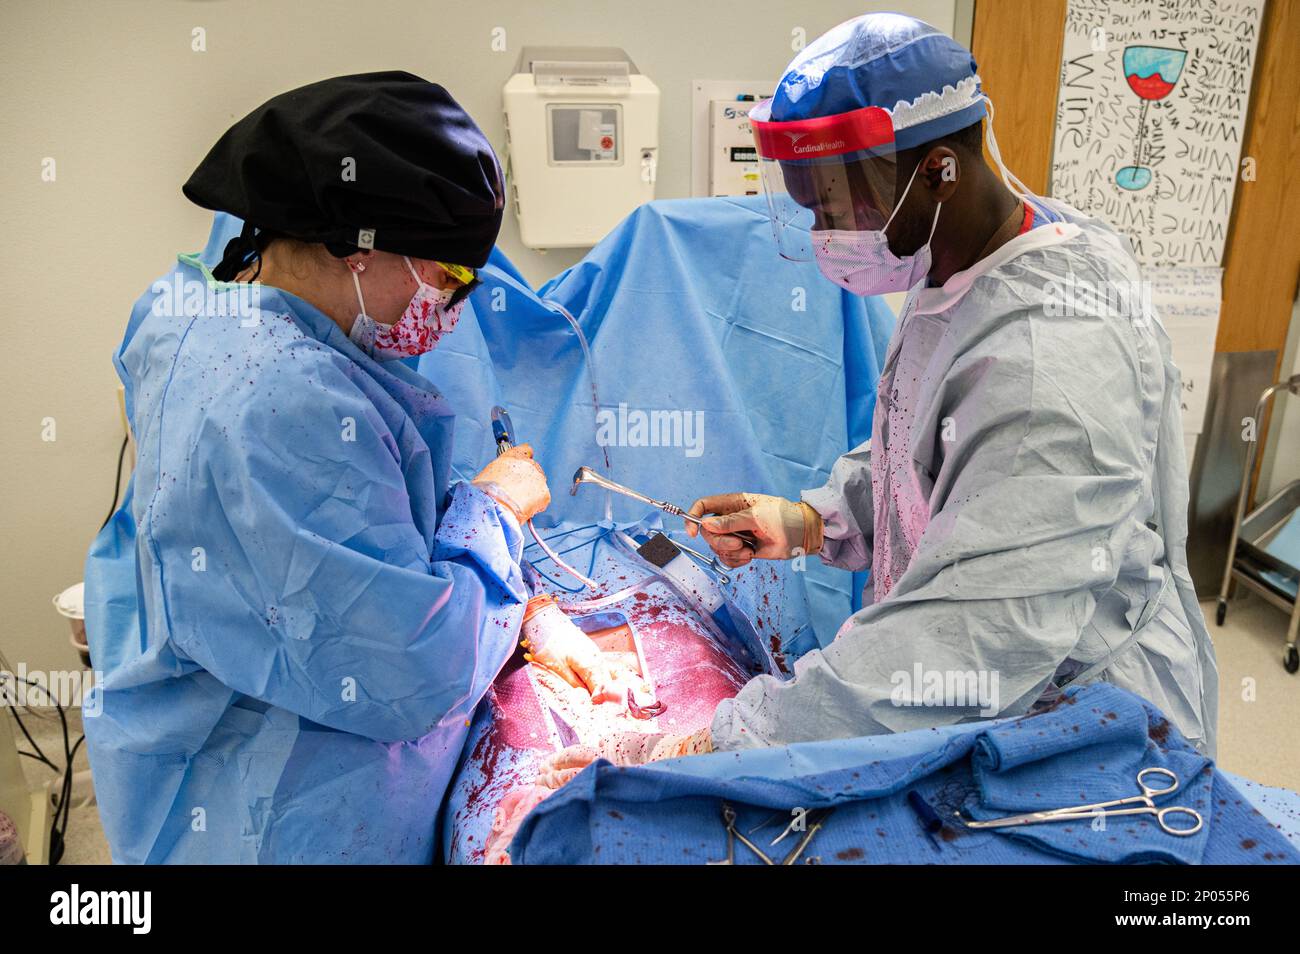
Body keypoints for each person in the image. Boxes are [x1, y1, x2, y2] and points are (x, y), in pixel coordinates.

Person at [540, 13, 1217, 782]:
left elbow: (963, 642)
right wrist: (811, 519)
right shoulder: (968, 266)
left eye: (834, 209)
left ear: (937, 171)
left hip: (1080, 733)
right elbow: (935, 441)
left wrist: (720, 743)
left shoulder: (1045, 364)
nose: (824, 234)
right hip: (993, 696)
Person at [83, 72, 635, 863]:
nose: (451, 306)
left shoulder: (203, 320)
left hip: (202, 764)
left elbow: (346, 534)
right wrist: (496, 515)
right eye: (451, 278)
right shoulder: (286, 402)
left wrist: (522, 606)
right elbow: (406, 669)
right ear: (356, 244)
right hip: (280, 814)